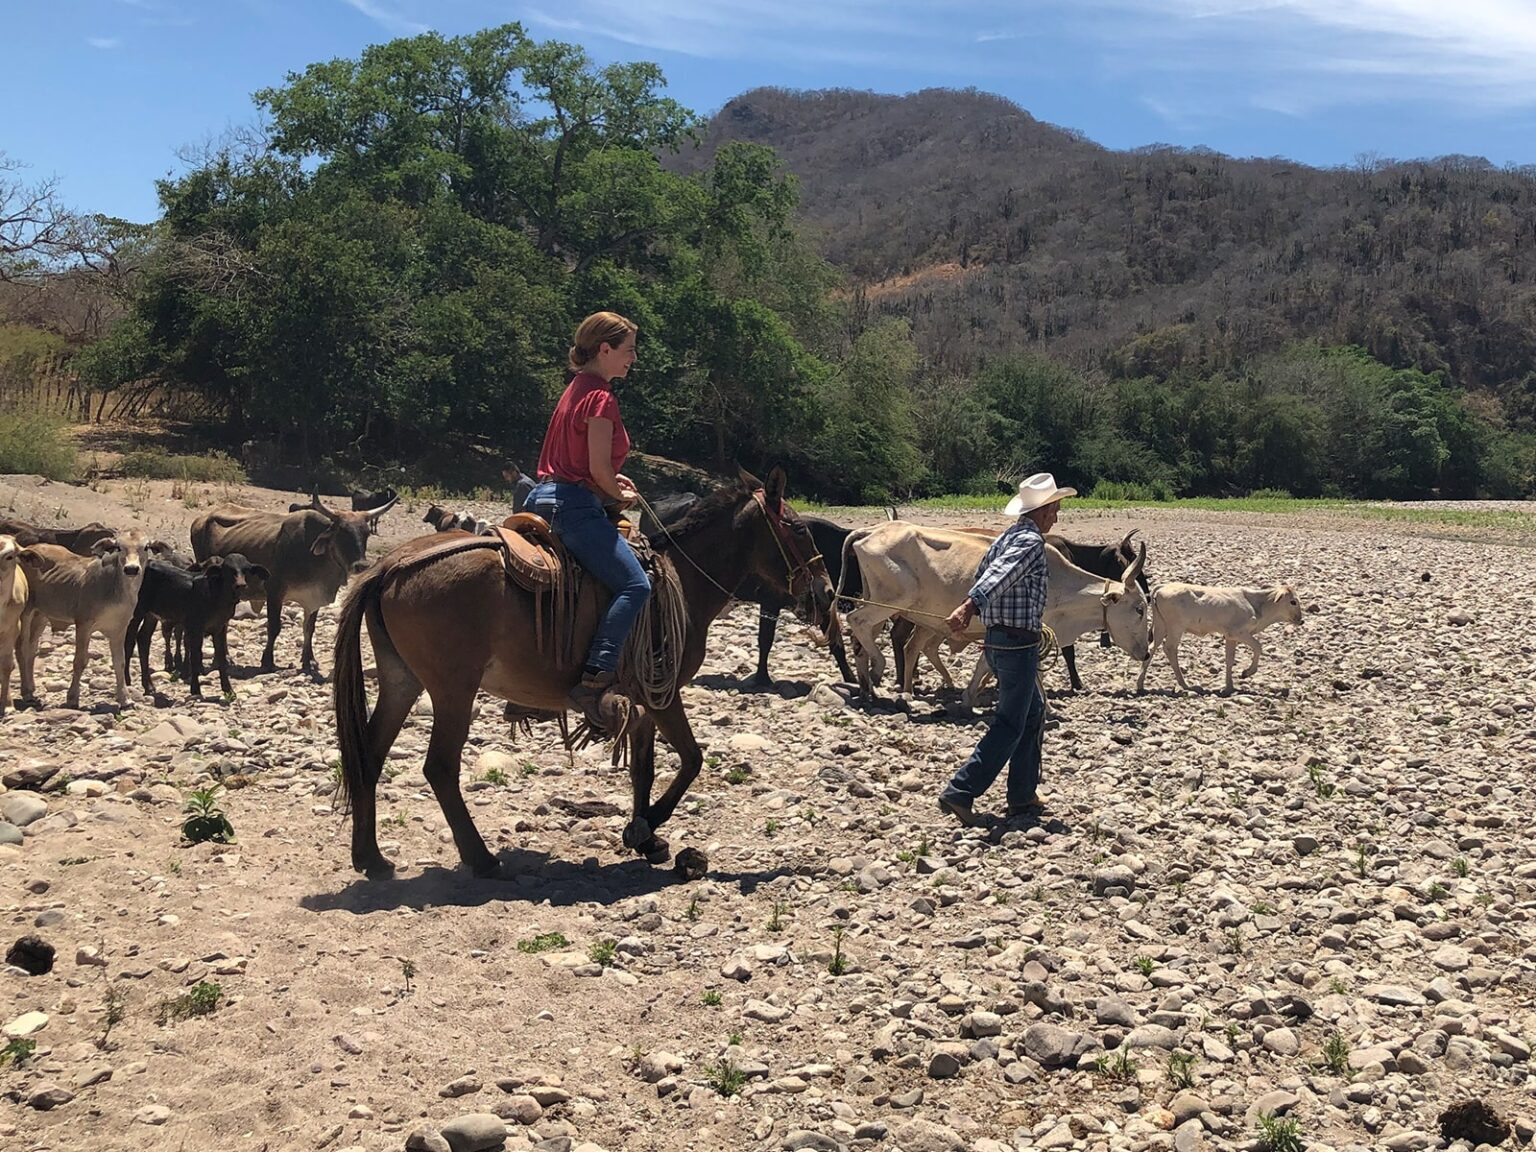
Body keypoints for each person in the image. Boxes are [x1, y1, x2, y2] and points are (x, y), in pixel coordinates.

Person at [525, 312, 651, 733]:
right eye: (629, 349)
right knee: (636, 585)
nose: (633, 358)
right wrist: (620, 495)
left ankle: (538, 682)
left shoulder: (574, 389)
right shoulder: (601, 398)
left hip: (542, 497)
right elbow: (597, 470)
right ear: (605, 349)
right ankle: (595, 679)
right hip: (575, 506)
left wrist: (610, 481)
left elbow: (578, 463)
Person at [937, 472, 1076, 827]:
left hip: (1001, 641)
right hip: (1016, 644)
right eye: (1055, 509)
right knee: (1011, 721)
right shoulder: (1029, 543)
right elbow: (998, 575)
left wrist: (974, 607)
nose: (1057, 516)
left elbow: (988, 570)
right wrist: (969, 607)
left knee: (1034, 711)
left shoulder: (1008, 536)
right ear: (1042, 511)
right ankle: (961, 790)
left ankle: (1022, 794)